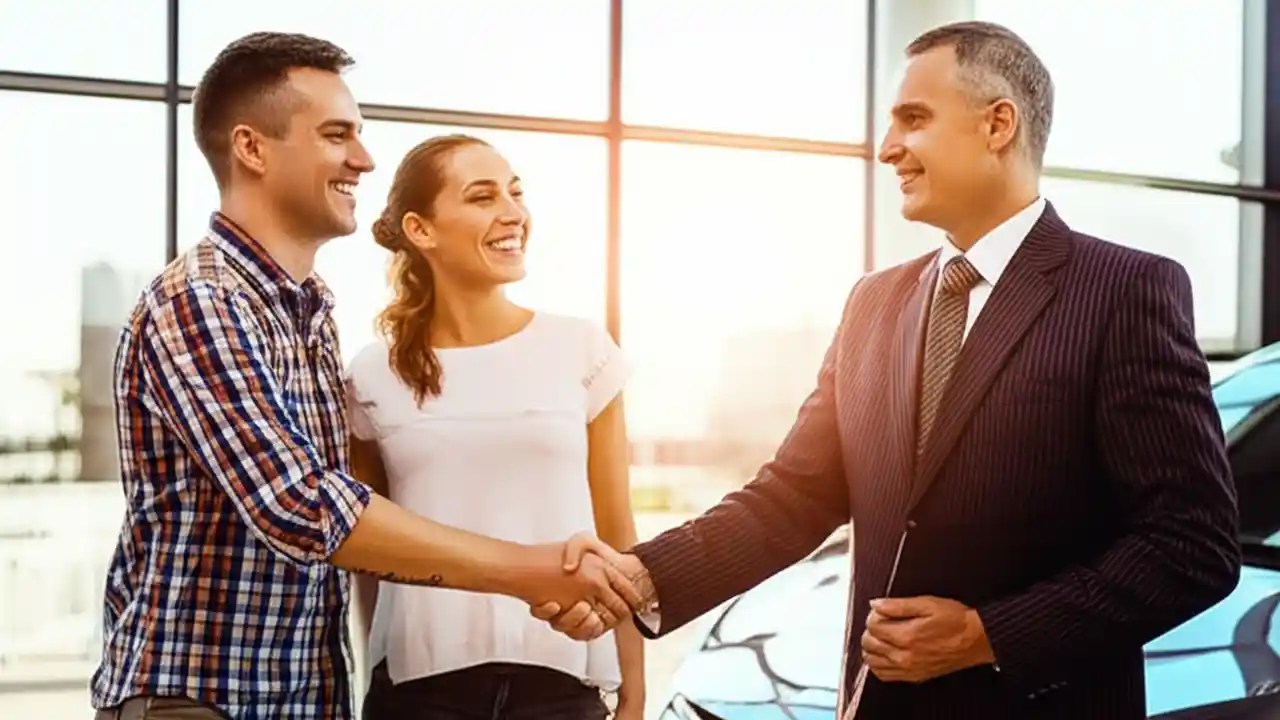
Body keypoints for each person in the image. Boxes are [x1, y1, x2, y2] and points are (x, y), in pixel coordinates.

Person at [544, 20, 1241, 719]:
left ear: (998, 124)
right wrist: (640, 578)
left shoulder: (1124, 291)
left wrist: (986, 635)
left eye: (914, 119)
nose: (886, 149)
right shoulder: (873, 303)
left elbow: (1191, 544)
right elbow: (792, 499)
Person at [90, 32, 637, 720]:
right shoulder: (200, 301)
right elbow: (302, 506)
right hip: (201, 701)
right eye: (336, 135)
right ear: (252, 148)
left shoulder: (309, 312)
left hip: (299, 700)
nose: (364, 158)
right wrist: (533, 572)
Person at [344, 133, 644, 720]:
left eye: (515, 193)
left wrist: (632, 688)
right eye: (483, 197)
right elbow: (365, 550)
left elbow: (617, 534)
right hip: (419, 693)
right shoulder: (372, 374)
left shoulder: (581, 349)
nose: (513, 213)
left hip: (561, 687)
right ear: (420, 230)